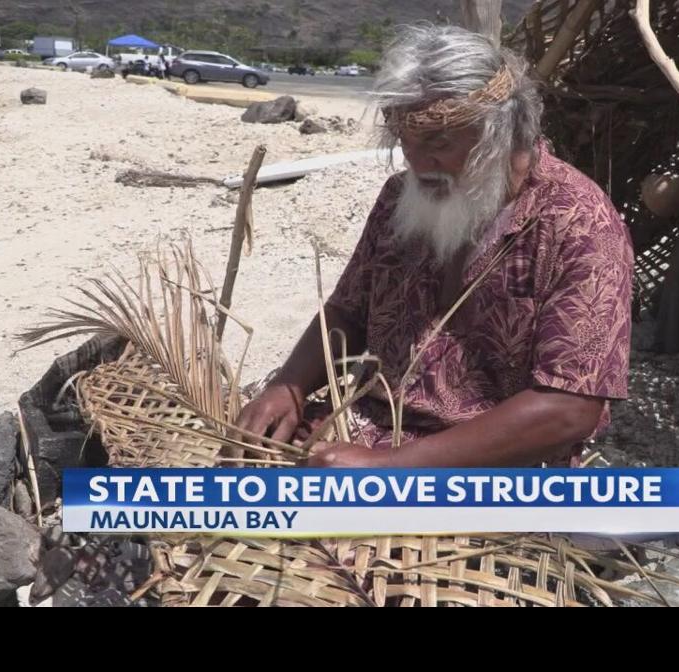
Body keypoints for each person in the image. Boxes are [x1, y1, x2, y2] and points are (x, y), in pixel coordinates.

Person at [237, 24, 634, 469]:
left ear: (499, 132)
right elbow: (348, 311)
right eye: (405, 142)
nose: (417, 162)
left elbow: (569, 409)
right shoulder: (402, 197)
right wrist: (288, 386)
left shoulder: (579, 223)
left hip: (490, 466)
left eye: (438, 143)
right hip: (366, 428)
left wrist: (391, 467)